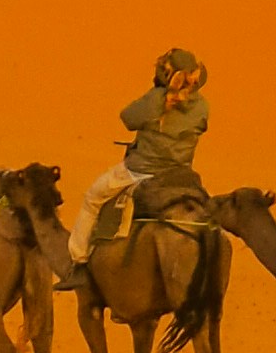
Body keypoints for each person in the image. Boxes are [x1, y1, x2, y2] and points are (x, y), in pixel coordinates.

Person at [74, 47, 211, 248]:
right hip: (180, 172)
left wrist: (160, 99)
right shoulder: (202, 106)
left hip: (140, 170)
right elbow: (201, 126)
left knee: (93, 198)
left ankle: (78, 257)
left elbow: (128, 118)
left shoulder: (155, 99)